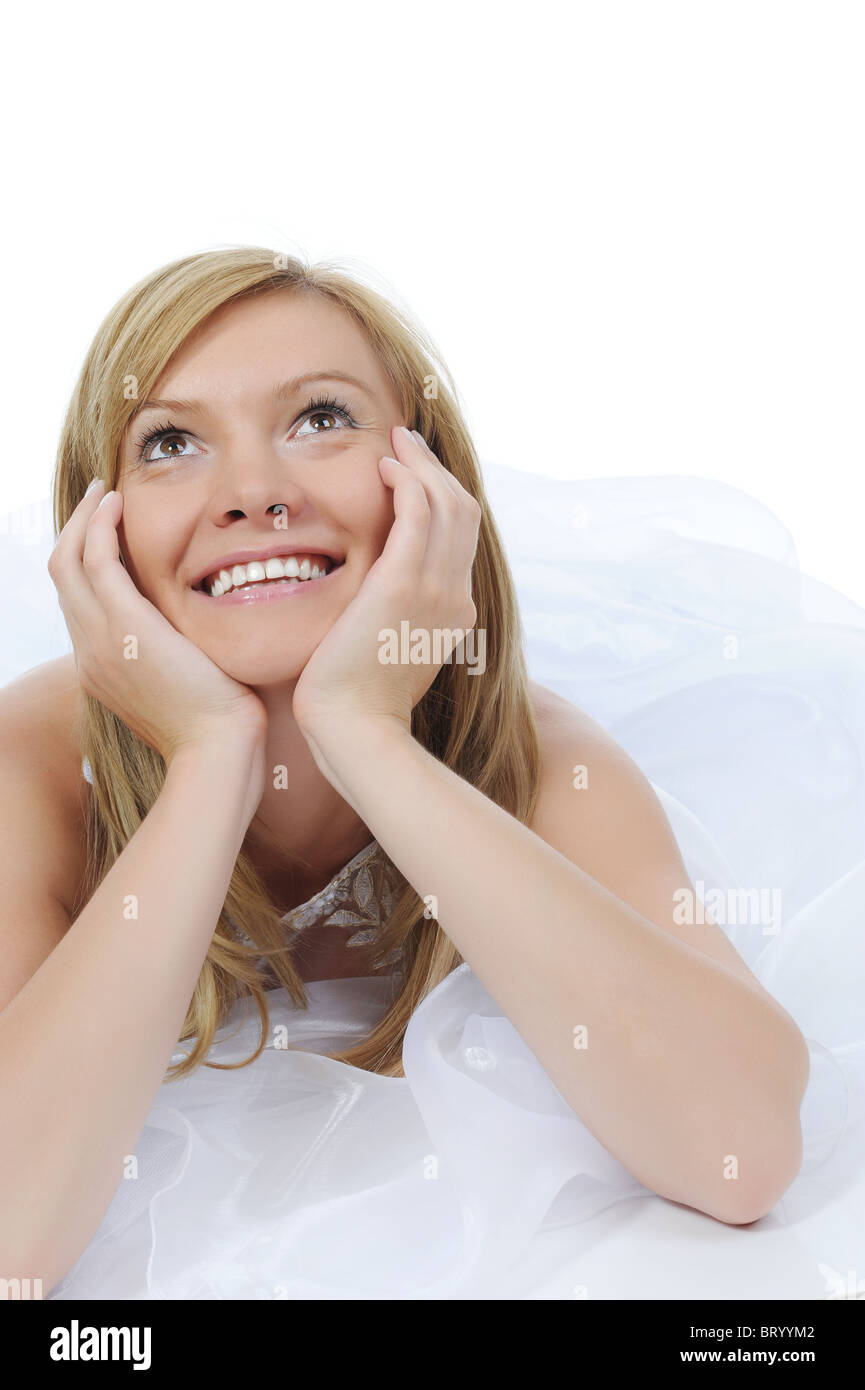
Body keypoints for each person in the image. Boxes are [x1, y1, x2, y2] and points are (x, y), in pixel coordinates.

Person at [0, 247, 860, 1301]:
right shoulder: (37, 766)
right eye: (170, 441)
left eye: (319, 419)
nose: (254, 493)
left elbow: (742, 1156)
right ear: (104, 531)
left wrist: (363, 732)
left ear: (429, 484)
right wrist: (209, 761)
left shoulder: (551, 763)